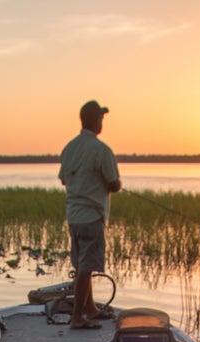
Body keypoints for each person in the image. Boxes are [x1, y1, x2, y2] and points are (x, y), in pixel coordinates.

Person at [58, 99, 120, 329]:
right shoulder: (101, 150)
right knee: (86, 266)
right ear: (96, 121)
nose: (102, 122)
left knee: (84, 263)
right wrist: (116, 184)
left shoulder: (69, 148)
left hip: (73, 216)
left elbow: (64, 179)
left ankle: (90, 308)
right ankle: (77, 318)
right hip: (92, 215)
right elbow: (113, 183)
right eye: (101, 118)